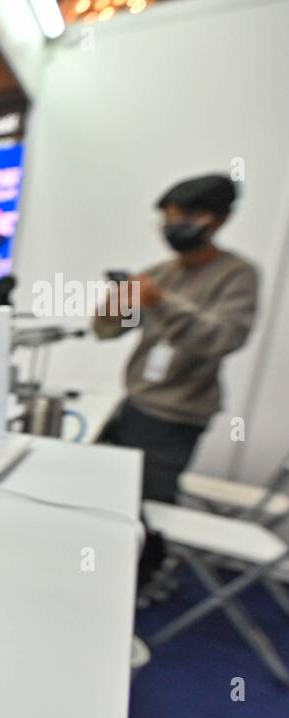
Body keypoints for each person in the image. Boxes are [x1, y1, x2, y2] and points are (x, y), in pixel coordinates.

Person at [94, 174, 257, 595]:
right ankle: (111, 575)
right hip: (134, 402)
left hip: (177, 415)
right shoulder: (157, 273)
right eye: (168, 218)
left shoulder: (237, 275)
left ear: (217, 220)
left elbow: (222, 338)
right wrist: (115, 308)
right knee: (109, 497)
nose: (174, 226)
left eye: (185, 217)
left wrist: (161, 300)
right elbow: (109, 331)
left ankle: (141, 586)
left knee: (148, 507)